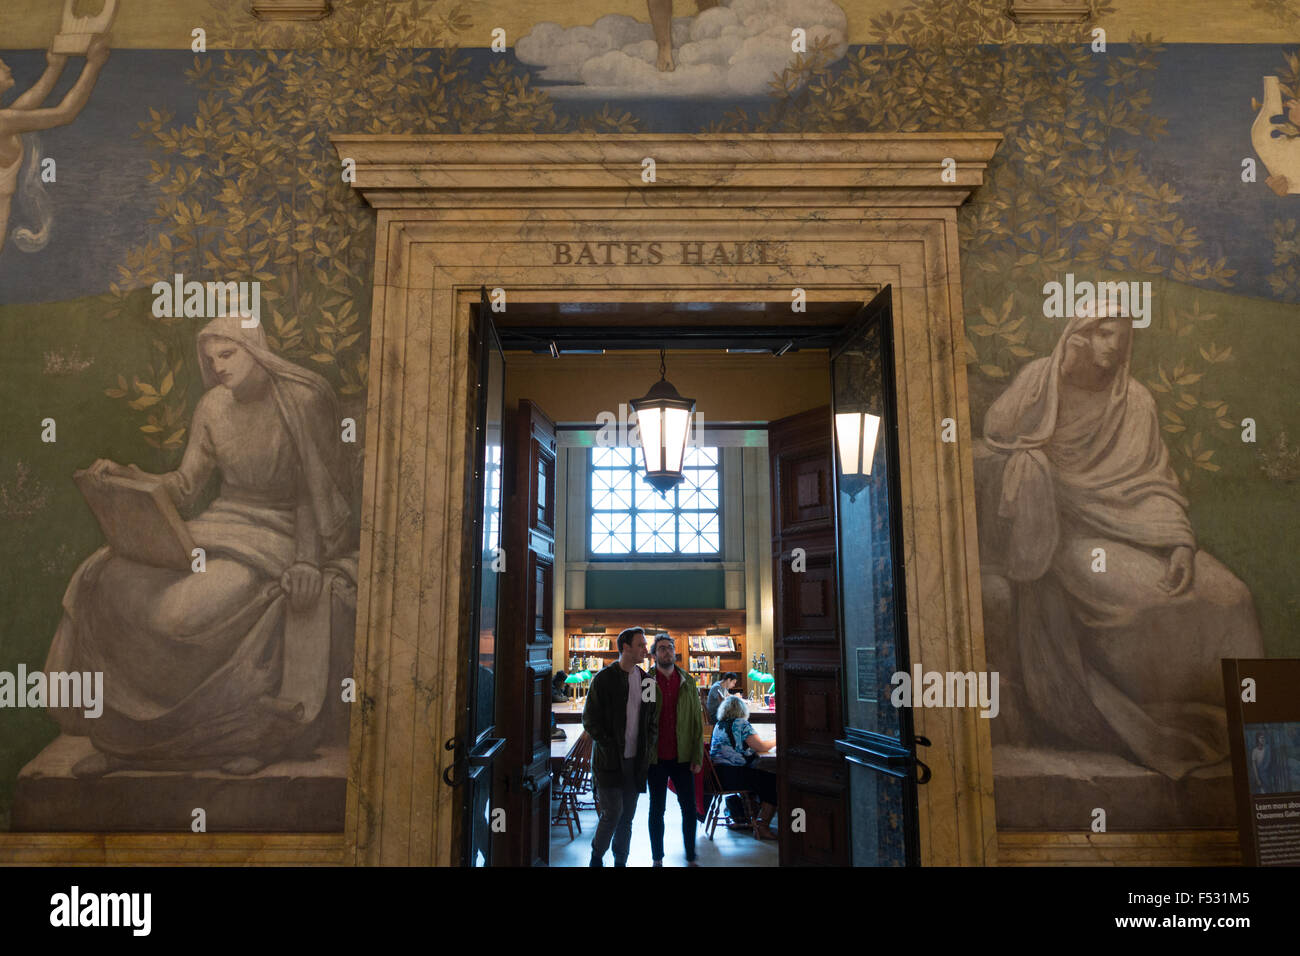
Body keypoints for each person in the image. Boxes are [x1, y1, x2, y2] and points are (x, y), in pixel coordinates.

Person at [46, 314, 356, 777]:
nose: (219, 367)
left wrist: (307, 560)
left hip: (275, 535)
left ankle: (243, 732)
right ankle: (123, 740)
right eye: (211, 359)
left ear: (257, 349)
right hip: (218, 526)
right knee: (108, 581)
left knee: (178, 616)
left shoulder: (301, 400)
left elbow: (312, 490)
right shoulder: (212, 406)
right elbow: (187, 487)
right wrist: (130, 477)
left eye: (228, 354)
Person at [980, 306, 1264, 779]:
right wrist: (1057, 372)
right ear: (1080, 335)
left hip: (1142, 531)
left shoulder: (1134, 402)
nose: (1115, 345)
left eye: (1122, 336)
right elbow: (998, 429)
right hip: (1072, 538)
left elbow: (1153, 482)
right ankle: (1159, 713)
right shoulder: (1040, 380)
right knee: (1142, 607)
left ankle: (1259, 733)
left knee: (1233, 596)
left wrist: (1179, 546)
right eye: (1104, 333)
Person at [1, 35, 111, 254]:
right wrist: (93, 65)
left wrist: (55, 66)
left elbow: (28, 105)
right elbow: (64, 114)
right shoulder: (3, 122)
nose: (5, 64)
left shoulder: (7, 120)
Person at [581, 627, 657, 866]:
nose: (646, 649)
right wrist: (608, 745)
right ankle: (596, 857)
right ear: (625, 647)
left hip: (635, 762)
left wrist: (648, 748)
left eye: (645, 645)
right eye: (641, 645)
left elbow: (651, 720)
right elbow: (589, 719)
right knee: (612, 813)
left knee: (627, 818)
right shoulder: (603, 679)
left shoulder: (647, 682)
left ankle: (621, 861)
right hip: (609, 761)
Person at [646, 633, 703, 867]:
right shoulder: (647, 681)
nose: (667, 652)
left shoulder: (687, 681)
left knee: (689, 809)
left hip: (683, 756)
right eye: (661, 648)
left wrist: (698, 755)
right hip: (656, 757)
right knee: (656, 809)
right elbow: (643, 717)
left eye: (670, 647)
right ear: (654, 654)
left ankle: (690, 856)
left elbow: (696, 722)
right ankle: (657, 857)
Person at [710, 695, 777, 840]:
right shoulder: (740, 723)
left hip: (718, 776)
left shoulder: (719, 724)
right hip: (734, 776)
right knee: (773, 781)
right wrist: (778, 739)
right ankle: (762, 825)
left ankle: (752, 816)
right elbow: (761, 746)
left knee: (762, 776)